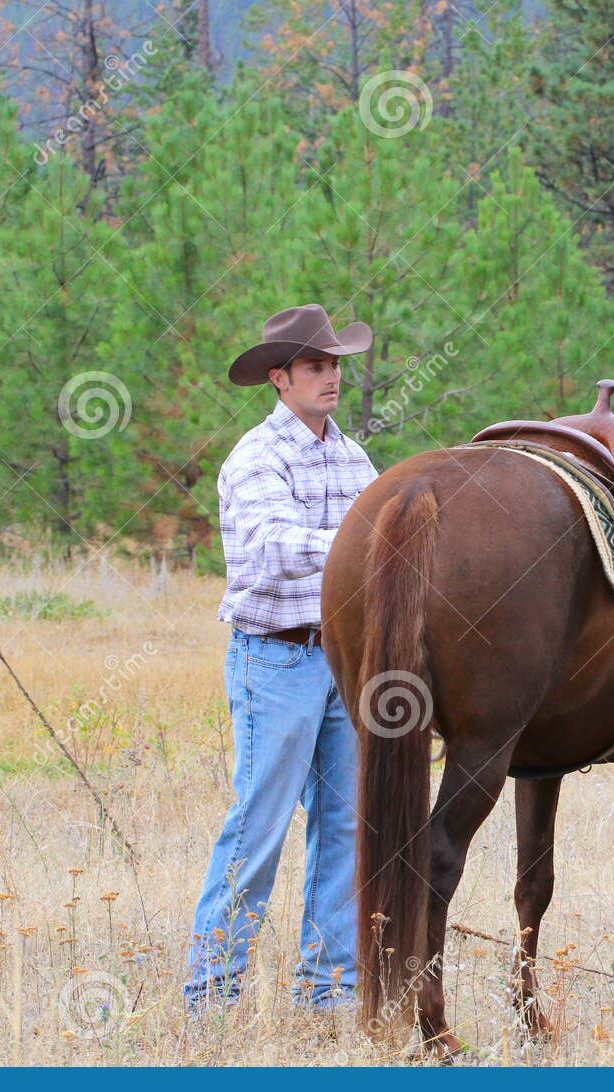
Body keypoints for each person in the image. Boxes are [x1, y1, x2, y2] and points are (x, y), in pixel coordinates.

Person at [185, 303, 379, 1012]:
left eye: (334, 365)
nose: (330, 377)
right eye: (314, 366)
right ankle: (210, 995)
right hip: (273, 659)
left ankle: (329, 992)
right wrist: (361, 541)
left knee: (347, 824)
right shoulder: (254, 458)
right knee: (258, 826)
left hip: (343, 658)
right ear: (279, 378)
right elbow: (268, 549)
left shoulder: (352, 457)